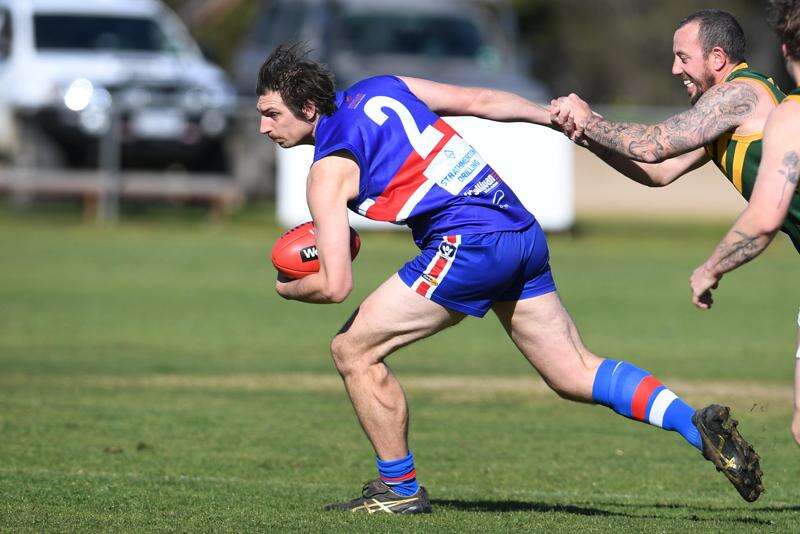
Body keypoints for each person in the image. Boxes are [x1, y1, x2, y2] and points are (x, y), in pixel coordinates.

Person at [259, 44, 762, 514]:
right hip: (519, 231)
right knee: (573, 373)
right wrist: (550, 117)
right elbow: (479, 100)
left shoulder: (327, 171)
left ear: (308, 108)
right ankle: (694, 424)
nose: (263, 127)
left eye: (272, 114)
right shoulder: (383, 87)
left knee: (353, 350)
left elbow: (335, 285)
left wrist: (286, 286)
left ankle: (399, 488)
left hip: (468, 245)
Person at [688, 0, 800, 447]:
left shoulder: (790, 113)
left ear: (785, 46)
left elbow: (765, 216)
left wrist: (710, 268)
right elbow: (656, 167)